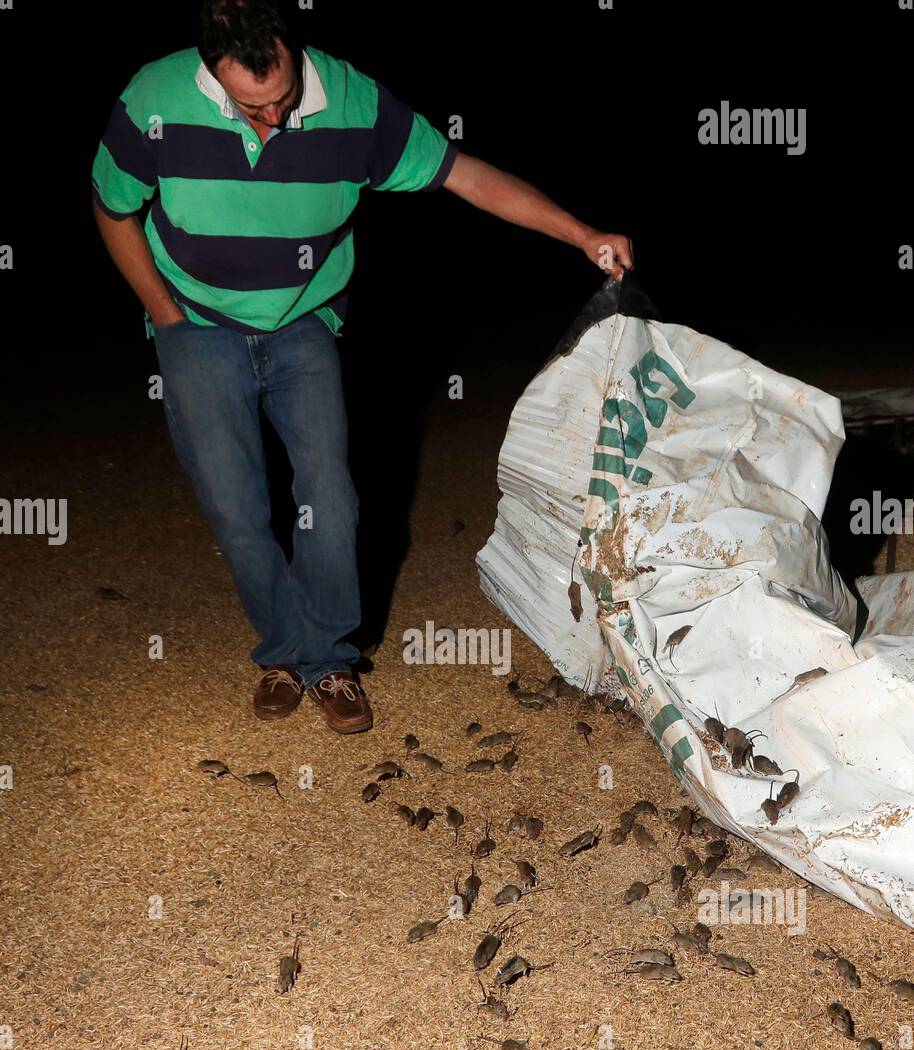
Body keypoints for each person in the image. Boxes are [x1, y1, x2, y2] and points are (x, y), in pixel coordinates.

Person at [92, 0, 633, 733]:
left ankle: (330, 660)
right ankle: (283, 652)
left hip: (304, 324)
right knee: (237, 507)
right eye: (248, 108)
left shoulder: (353, 102)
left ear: (294, 49)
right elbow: (111, 206)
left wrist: (581, 232)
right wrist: (163, 312)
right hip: (195, 325)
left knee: (332, 500)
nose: (272, 124)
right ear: (208, 68)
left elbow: (467, 176)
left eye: (282, 102)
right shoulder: (152, 98)